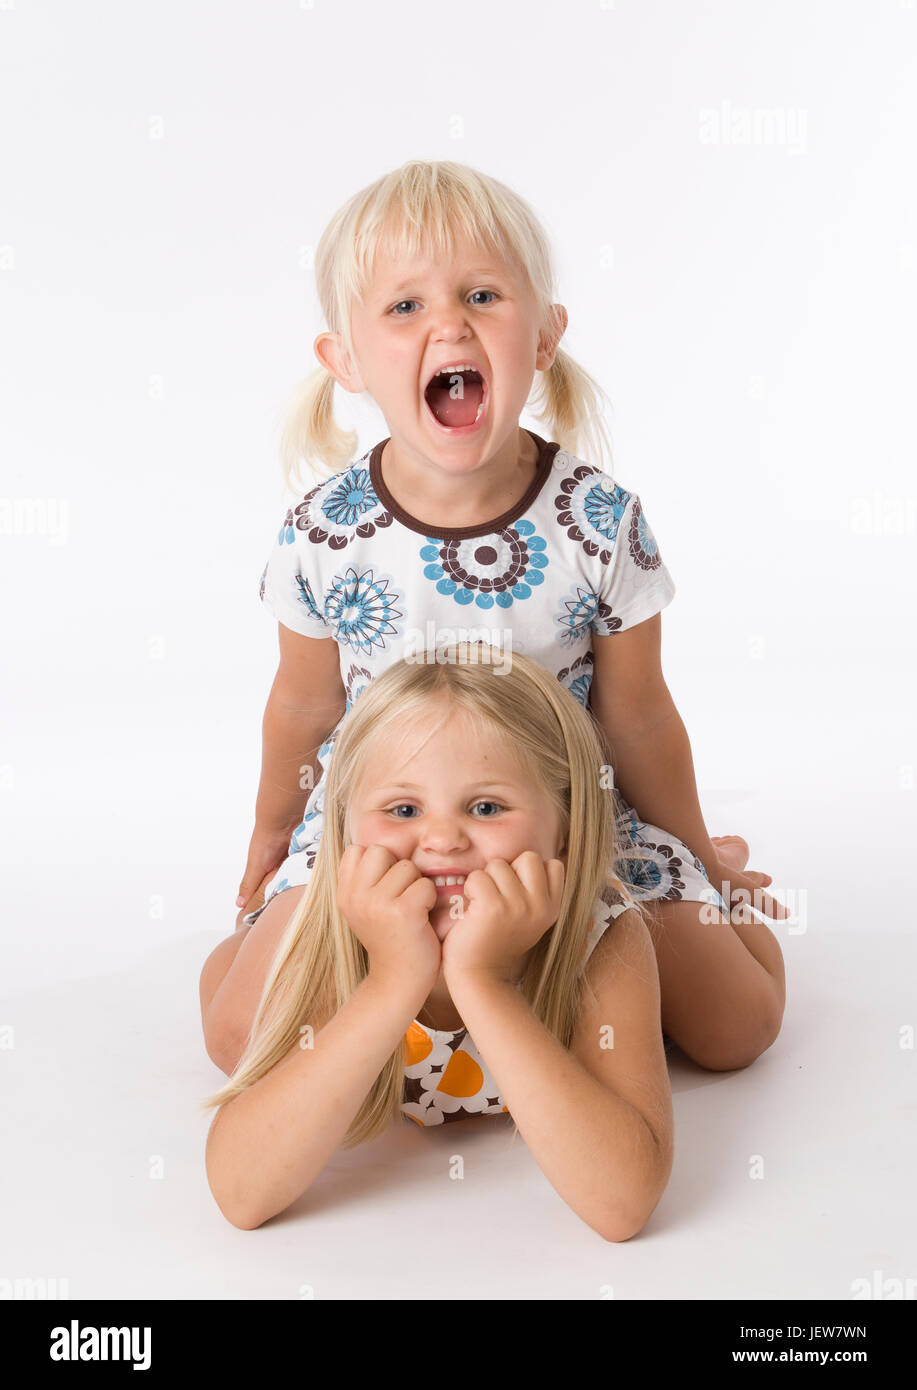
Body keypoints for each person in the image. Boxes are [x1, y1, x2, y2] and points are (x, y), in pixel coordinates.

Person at [202, 157, 785, 1095]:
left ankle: (715, 885)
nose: (449, 325)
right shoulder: (321, 531)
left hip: (573, 816)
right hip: (385, 829)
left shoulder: (599, 521)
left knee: (735, 1030)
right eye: (404, 307)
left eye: (481, 295)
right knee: (241, 1040)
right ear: (344, 361)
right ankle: (265, 937)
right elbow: (303, 707)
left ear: (545, 334)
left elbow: (637, 715)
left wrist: (693, 854)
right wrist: (275, 839)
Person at [200, 643, 675, 1237]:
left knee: (730, 1026)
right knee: (231, 1031)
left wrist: (483, 981)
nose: (443, 839)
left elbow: (622, 1207)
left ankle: (714, 869)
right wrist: (393, 978)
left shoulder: (603, 936)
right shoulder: (329, 931)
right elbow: (241, 1197)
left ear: (565, 825)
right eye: (403, 809)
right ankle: (257, 919)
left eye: (486, 806)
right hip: (313, 920)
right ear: (343, 826)